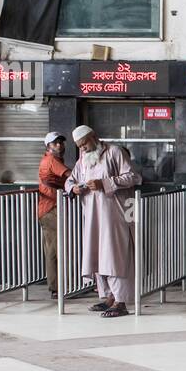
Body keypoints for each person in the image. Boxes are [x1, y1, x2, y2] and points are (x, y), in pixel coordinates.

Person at [63, 124, 142, 318]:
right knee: (98, 255)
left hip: (115, 214)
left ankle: (121, 301)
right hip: (92, 216)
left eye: (84, 144)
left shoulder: (114, 152)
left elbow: (133, 177)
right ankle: (108, 297)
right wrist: (73, 189)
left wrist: (104, 183)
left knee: (114, 255)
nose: (82, 149)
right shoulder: (83, 160)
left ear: (94, 137)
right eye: (79, 147)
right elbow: (69, 180)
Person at [36, 131, 70, 298]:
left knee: (52, 247)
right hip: (50, 208)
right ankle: (57, 288)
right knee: (55, 248)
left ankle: (57, 286)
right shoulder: (51, 160)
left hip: (49, 208)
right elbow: (71, 176)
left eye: (61, 142)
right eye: (55, 143)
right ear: (48, 146)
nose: (59, 145)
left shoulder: (52, 160)